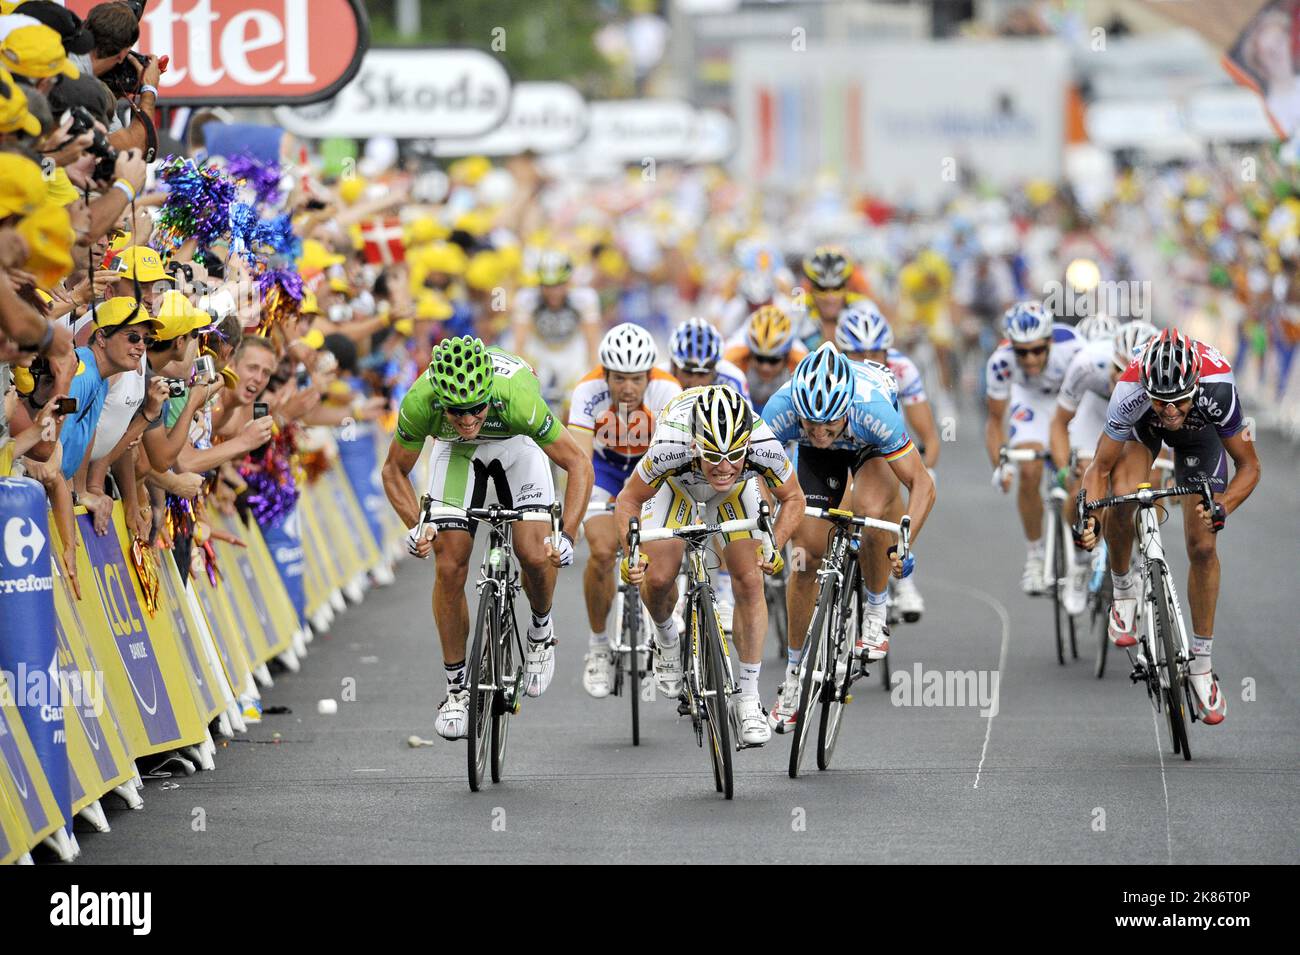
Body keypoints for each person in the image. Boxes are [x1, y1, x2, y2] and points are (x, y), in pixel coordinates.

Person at [382, 336, 593, 740]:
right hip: (458, 455)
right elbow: (393, 471)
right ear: (440, 400)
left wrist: (565, 533)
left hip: (519, 448)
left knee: (533, 553)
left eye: (476, 408)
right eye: (456, 411)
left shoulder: (516, 396)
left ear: (488, 396)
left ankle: (541, 632)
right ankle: (456, 690)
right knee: (449, 563)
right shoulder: (420, 400)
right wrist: (416, 525)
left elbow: (577, 463)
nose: (466, 419)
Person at [1078, 329, 1261, 726]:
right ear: (1147, 389)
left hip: (1203, 438)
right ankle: (1124, 592)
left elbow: (1250, 467)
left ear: (1195, 386)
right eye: (1161, 401)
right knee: (1125, 497)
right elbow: (1100, 468)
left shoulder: (1219, 385)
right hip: (1144, 435)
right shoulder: (1129, 389)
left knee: (1203, 547)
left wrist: (1223, 506)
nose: (1171, 409)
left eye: (1179, 400)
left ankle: (1201, 667)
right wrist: (1089, 516)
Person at [615, 385, 805, 747]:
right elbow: (629, 499)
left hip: (737, 493)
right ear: (695, 445)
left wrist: (774, 543)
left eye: (734, 455)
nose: (723, 466)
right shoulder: (671, 444)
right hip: (676, 486)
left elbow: (793, 498)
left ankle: (747, 698)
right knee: (656, 577)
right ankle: (666, 635)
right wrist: (632, 552)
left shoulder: (763, 444)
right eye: (714, 455)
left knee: (750, 580)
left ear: (747, 446)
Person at [761, 344, 935, 731]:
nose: (820, 434)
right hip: (815, 462)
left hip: (868, 447)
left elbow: (921, 483)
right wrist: (765, 526)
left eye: (828, 426)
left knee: (873, 514)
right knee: (805, 555)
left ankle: (874, 610)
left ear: (845, 410)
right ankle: (793, 677)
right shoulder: (782, 408)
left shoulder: (872, 409)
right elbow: (756, 472)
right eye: (810, 425)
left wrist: (905, 541)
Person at [567, 323, 680, 698]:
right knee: (601, 552)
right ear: (605, 375)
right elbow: (579, 461)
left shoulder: (668, 390)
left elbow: (673, 461)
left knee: (659, 551)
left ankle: (668, 621)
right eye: (618, 379)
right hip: (606, 470)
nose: (627, 388)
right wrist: (574, 515)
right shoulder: (586, 391)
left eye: (635, 379)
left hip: (651, 470)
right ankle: (599, 646)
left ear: (649, 375)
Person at [835, 300, 940, 620]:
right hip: (840, 441)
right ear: (841, 354)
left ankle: (900, 575)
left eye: (877, 353)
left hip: (884, 438)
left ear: (888, 353)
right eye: (856, 355)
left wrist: (925, 471)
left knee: (891, 485)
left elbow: (929, 436)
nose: (867, 361)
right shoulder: (830, 372)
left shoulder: (902, 369)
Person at [1049, 320, 1157, 613]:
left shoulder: (1157, 379)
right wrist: (1063, 468)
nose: (1122, 378)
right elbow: (1059, 422)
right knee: (1080, 483)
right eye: (1117, 369)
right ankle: (1081, 563)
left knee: (1144, 491)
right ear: (1108, 359)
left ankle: (1133, 557)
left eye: (1129, 372)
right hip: (1094, 416)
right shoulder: (1087, 365)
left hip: (1138, 420)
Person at [985, 302, 1082, 594]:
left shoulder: (1075, 348)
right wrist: (1001, 465)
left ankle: (1085, 550)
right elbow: (994, 421)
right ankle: (1035, 557)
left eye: (1038, 350)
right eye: (1022, 351)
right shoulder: (1000, 362)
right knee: (1028, 469)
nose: (1029, 359)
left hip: (1073, 404)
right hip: (1031, 403)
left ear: (1050, 341)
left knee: (1082, 474)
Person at [511, 250, 601, 411]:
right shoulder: (525, 299)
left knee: (577, 401)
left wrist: (595, 378)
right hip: (541, 351)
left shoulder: (585, 298)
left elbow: (592, 343)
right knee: (531, 398)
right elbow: (519, 344)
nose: (553, 292)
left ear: (568, 281)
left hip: (571, 352)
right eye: (547, 286)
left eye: (558, 285)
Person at [723, 304, 807, 412]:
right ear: (749, 353)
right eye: (759, 358)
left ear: (787, 355)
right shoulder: (732, 358)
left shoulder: (800, 361)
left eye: (774, 360)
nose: (765, 367)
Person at [667, 317, 749, 399]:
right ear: (673, 367)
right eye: (688, 372)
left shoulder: (733, 379)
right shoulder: (660, 381)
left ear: (714, 370)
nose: (695, 383)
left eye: (703, 374)